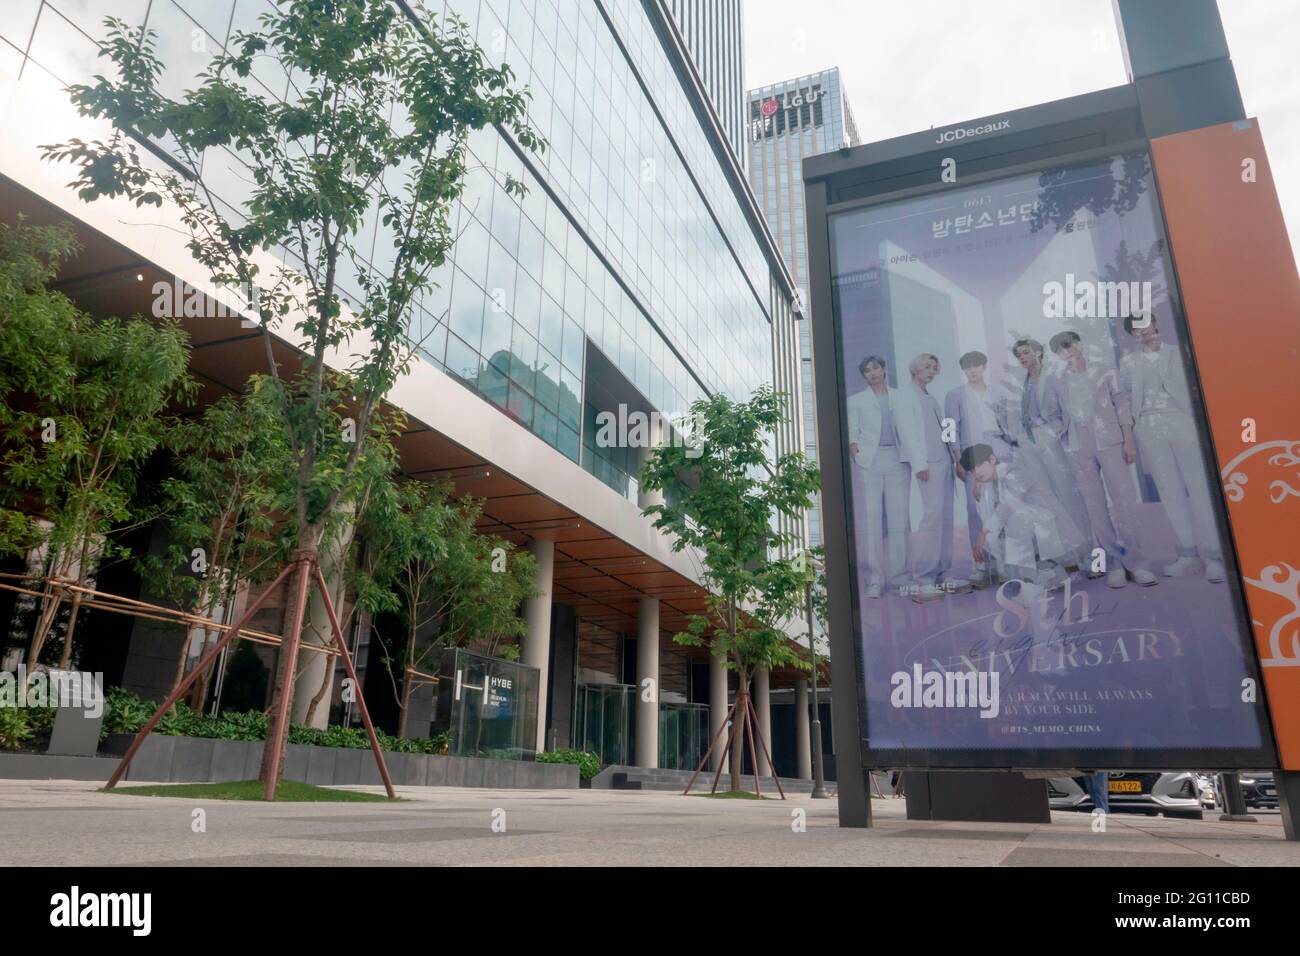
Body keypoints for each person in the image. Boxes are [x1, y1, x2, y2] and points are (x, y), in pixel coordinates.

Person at [1041, 330, 1157, 588]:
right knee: (1095, 505)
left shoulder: (1106, 371)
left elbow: (1122, 405)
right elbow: (1051, 413)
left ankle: (1137, 563)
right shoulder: (1055, 380)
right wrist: (1063, 433)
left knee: (1123, 501)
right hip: (1077, 446)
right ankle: (1115, 563)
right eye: (1060, 349)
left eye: (1069, 345)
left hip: (1110, 441)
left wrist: (1128, 440)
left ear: (1079, 344)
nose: (1066, 351)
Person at [1119, 315, 1225, 582]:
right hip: (1149, 426)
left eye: (1145, 325)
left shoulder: (1180, 353)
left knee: (1199, 486)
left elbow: (1196, 386)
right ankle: (1187, 554)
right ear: (1133, 335)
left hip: (1182, 421)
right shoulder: (1129, 362)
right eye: (1136, 329)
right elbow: (1126, 397)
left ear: (1155, 324)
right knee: (1169, 491)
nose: (1142, 331)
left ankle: (1214, 556)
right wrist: (1133, 431)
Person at [960, 442, 1087, 597]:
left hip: (1047, 523)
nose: (976, 472)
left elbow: (1009, 505)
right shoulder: (993, 481)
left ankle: (1044, 576)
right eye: (972, 469)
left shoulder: (1013, 471)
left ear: (992, 459)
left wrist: (984, 533)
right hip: (1034, 524)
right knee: (1001, 532)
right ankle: (1045, 574)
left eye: (979, 464)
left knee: (1012, 523)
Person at [848, 355, 925, 599]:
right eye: (867, 371)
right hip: (870, 461)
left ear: (884, 369)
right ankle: (875, 578)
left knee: (898, 518)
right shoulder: (856, 401)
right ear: (864, 376)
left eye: (875, 368)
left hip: (897, 459)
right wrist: (857, 453)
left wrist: (918, 460)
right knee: (871, 521)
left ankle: (899, 576)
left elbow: (914, 428)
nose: (872, 373)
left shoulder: (901, 396)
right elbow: (852, 433)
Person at [944, 351, 1020, 587]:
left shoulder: (998, 392)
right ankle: (980, 565)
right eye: (968, 367)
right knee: (975, 508)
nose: (973, 370)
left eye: (977, 366)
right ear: (964, 371)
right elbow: (950, 428)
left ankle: (1003, 565)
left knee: (1002, 507)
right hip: (972, 456)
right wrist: (958, 459)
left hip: (999, 454)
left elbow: (1008, 425)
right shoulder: (955, 395)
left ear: (984, 366)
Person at [1012, 337, 1092, 559]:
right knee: (1046, 497)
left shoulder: (1054, 375)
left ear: (1038, 352)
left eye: (1026, 352)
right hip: (1029, 441)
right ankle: (1064, 554)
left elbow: (1068, 407)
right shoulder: (1023, 381)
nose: (1022, 357)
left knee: (1067, 493)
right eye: (1019, 355)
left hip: (1050, 436)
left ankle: (1085, 552)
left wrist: (1056, 432)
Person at [905, 353, 966, 600]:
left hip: (944, 462)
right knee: (932, 517)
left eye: (934, 368)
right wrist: (918, 462)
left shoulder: (931, 397)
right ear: (916, 368)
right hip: (927, 464)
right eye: (927, 367)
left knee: (945, 517)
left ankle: (944, 574)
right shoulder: (908, 396)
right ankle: (923, 579)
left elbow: (944, 432)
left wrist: (956, 458)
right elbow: (907, 430)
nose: (932, 371)